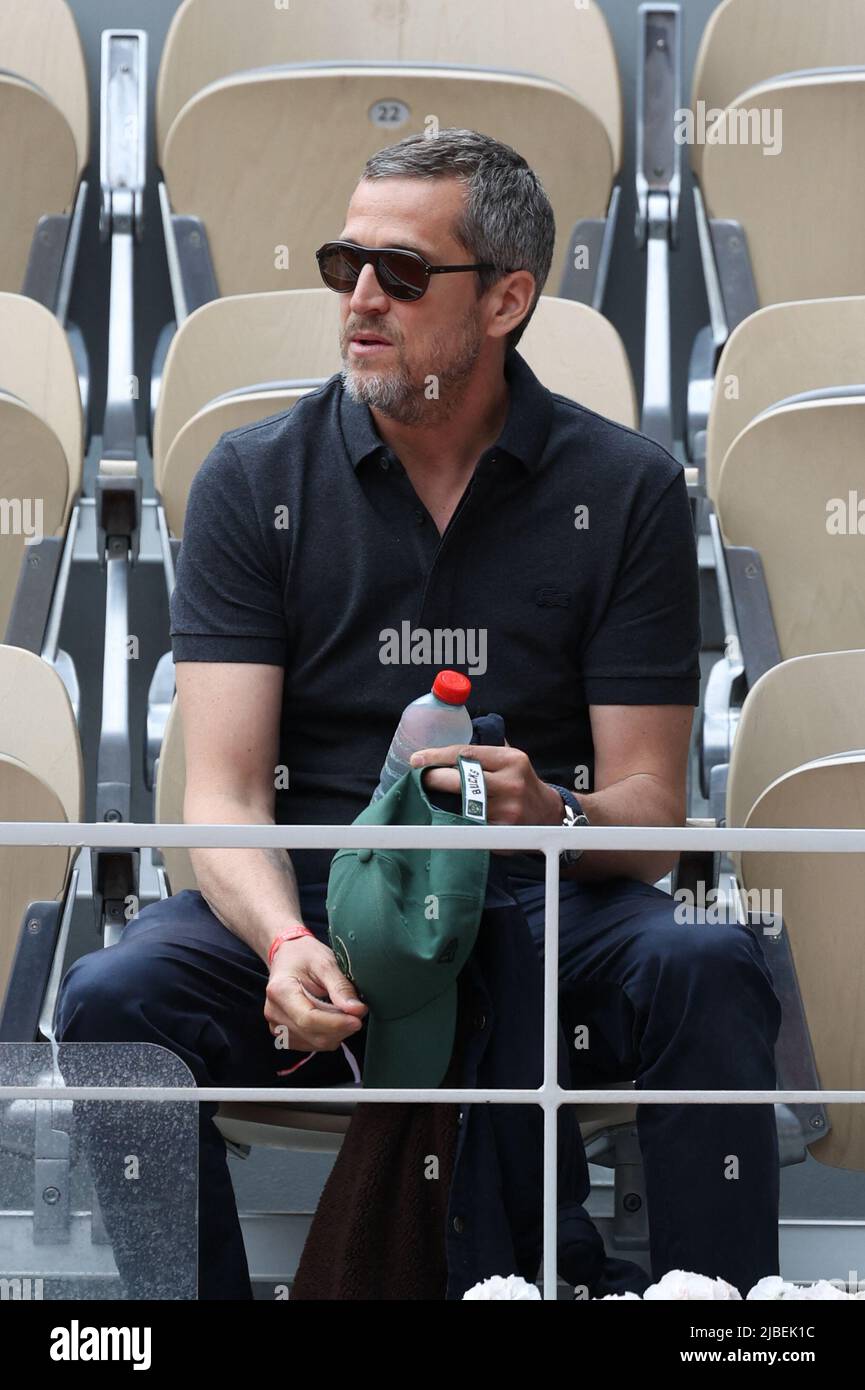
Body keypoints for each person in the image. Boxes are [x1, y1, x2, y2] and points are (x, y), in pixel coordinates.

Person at [56, 128, 781, 1299]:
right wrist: (286, 943)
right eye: (346, 263)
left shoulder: (626, 488)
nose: (358, 298)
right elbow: (226, 794)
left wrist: (553, 809)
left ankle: (727, 1323)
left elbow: (649, 816)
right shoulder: (253, 479)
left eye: (400, 274)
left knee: (705, 962)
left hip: (540, 915)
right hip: (327, 910)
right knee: (110, 1002)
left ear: (506, 298)